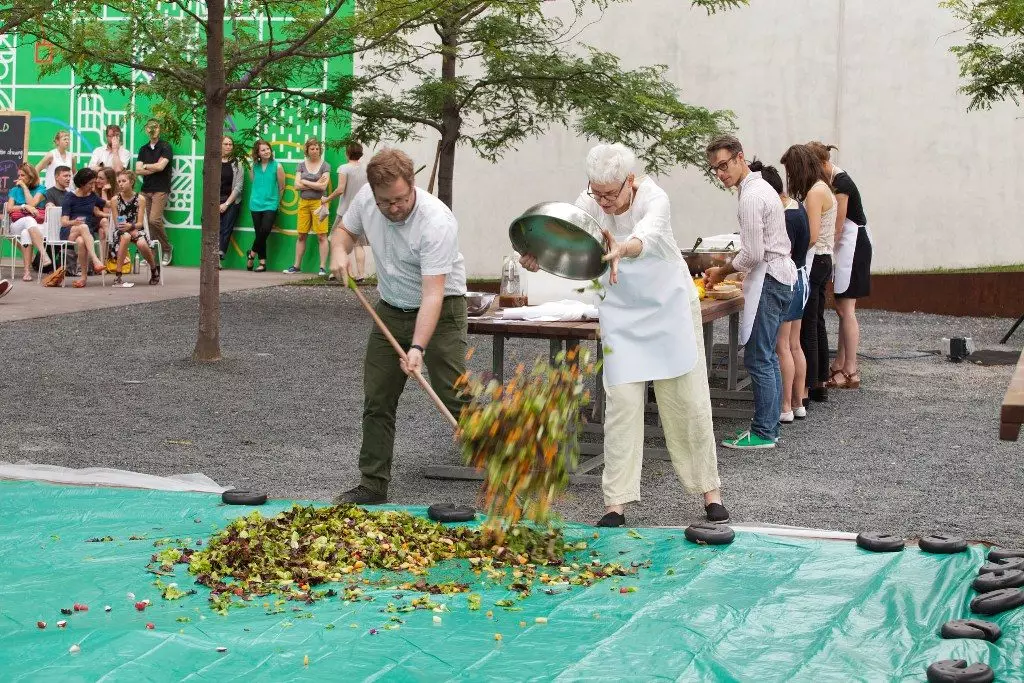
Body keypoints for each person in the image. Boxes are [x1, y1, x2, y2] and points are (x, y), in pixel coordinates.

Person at [519, 143, 729, 526]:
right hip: (621, 314)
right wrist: (538, 255)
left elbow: (644, 236)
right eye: (596, 192)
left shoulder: (655, 198)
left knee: (688, 401)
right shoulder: (589, 200)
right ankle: (615, 503)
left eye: (610, 194)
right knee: (622, 407)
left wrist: (622, 248)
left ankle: (709, 492)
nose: (603, 201)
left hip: (669, 310)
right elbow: (566, 239)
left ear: (630, 182)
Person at [328, 148, 468, 505]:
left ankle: (502, 460)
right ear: (373, 192)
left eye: (401, 199)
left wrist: (418, 348)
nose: (394, 208)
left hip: (440, 310)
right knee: (377, 399)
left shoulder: (436, 221)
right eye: (385, 201)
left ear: (414, 186)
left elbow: (433, 294)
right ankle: (372, 485)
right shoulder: (366, 199)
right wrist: (339, 251)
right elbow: (343, 231)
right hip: (390, 309)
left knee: (453, 395)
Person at [704, 135, 795, 450]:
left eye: (724, 165)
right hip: (778, 274)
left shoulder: (752, 196)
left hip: (769, 275)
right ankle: (768, 428)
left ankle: (764, 432)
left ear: (740, 158)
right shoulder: (759, 189)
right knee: (766, 355)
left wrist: (724, 269)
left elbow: (753, 253)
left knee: (759, 356)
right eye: (715, 169)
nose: (720, 173)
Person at [808, 141, 872, 390]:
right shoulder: (833, 180)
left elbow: (838, 224)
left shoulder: (841, 183)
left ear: (823, 164)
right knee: (841, 308)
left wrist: (822, 251)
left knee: (847, 309)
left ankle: (851, 370)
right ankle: (841, 362)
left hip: (852, 246)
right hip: (846, 247)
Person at [756, 160, 813, 423]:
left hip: (787, 278)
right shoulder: (797, 206)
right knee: (794, 345)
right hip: (800, 278)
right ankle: (798, 401)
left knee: (782, 346)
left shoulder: (784, 216)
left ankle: (786, 405)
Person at [781, 144, 836, 405]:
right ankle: (819, 382)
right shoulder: (824, 187)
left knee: (808, 328)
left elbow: (812, 237)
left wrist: (789, 253)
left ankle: (807, 387)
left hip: (814, 262)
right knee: (818, 323)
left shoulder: (814, 193)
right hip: (825, 260)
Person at [284, 138, 331, 276]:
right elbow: (296, 185)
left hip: (319, 203)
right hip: (303, 203)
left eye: (317, 148)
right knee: (301, 235)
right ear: (307, 150)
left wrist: (304, 181)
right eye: (312, 148)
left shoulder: (325, 166)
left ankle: (322, 267)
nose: (315, 151)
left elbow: (323, 186)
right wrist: (314, 183)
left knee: (322, 236)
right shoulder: (301, 165)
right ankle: (296, 266)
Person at [324, 141, 369, 281]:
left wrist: (327, 199)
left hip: (345, 212)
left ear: (347, 153)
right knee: (358, 244)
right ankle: (361, 275)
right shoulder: (366, 169)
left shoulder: (343, 168)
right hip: (361, 212)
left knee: (337, 240)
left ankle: (339, 272)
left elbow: (340, 189)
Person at [135, 118, 174, 265]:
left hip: (160, 189)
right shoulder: (143, 149)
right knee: (147, 223)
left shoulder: (166, 147)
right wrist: (151, 167)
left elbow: (161, 167)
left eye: (156, 127)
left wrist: (145, 166)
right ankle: (151, 254)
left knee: (154, 220)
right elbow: (138, 170)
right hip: (146, 190)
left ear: (160, 129)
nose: (153, 130)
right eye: (150, 128)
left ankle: (166, 248)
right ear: (146, 130)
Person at [60, 167, 107, 287]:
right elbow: (64, 222)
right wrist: (74, 222)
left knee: (81, 242)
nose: (92, 187)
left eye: (93, 183)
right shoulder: (69, 197)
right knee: (84, 227)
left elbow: (109, 204)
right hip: (70, 231)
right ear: (81, 183)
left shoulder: (92, 196)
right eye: (90, 184)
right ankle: (96, 260)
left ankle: (83, 278)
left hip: (84, 234)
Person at [112, 169, 160, 286]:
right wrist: (127, 228)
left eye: (124, 181)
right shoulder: (115, 200)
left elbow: (140, 224)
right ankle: (118, 274)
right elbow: (117, 223)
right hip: (121, 231)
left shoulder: (140, 199)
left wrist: (132, 227)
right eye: (119, 181)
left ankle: (154, 270)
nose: (121, 184)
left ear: (132, 182)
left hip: (136, 228)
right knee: (126, 236)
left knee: (142, 243)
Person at [5, 163, 52, 281]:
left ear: (31, 177)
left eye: (23, 175)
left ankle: (26, 271)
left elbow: (33, 203)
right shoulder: (15, 190)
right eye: (19, 175)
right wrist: (24, 206)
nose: (19, 178)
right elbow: (10, 208)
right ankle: (43, 254)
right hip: (17, 224)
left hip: (37, 226)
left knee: (26, 233)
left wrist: (25, 188)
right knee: (28, 219)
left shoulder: (41, 189)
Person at [247, 139, 285, 272]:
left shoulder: (277, 166)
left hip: (271, 203)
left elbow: (282, 187)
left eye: (268, 149)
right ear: (257, 153)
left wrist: (278, 203)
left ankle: (251, 254)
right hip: (255, 203)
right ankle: (262, 262)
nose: (266, 151)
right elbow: (253, 181)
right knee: (259, 233)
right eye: (263, 150)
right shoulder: (253, 166)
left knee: (265, 230)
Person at [217, 136, 244, 267]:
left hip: (232, 201)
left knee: (226, 228)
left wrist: (226, 204)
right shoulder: (213, 162)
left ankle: (218, 257)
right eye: (225, 144)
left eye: (230, 144)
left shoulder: (238, 163)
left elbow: (239, 186)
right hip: (214, 201)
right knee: (215, 229)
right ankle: (212, 257)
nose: (228, 146)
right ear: (220, 145)